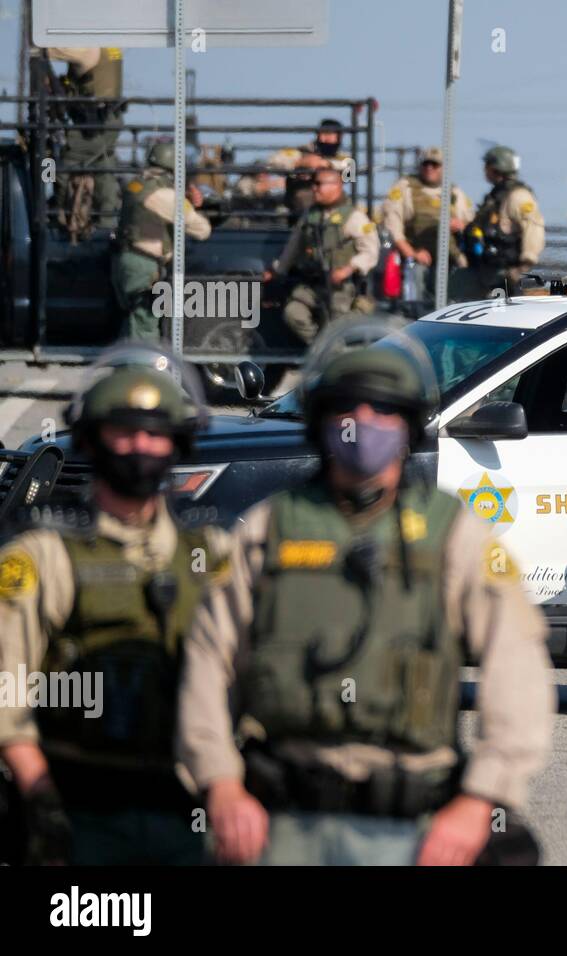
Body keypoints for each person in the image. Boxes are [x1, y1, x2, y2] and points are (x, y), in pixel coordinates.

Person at [176, 329, 555, 865]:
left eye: (383, 409)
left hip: (412, 822)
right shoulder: (269, 528)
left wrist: (479, 801)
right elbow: (209, 662)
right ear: (321, 419)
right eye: (347, 409)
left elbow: (517, 669)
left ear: (406, 424)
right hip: (282, 819)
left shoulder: (455, 535)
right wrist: (220, 784)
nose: (364, 423)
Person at [0, 347, 226, 865]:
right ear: (92, 439)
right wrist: (42, 801)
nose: (139, 446)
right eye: (123, 431)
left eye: (154, 432)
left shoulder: (211, 555)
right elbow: (6, 694)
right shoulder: (44, 555)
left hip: (189, 813)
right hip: (79, 811)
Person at [263, 166, 379, 344]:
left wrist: (347, 269)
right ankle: (321, 348)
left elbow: (370, 251)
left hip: (341, 288)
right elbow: (293, 246)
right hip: (313, 284)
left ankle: (335, 354)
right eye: (313, 184)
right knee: (293, 312)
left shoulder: (354, 217)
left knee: (336, 325)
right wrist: (277, 270)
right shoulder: (311, 215)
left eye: (319, 184)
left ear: (336, 186)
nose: (314, 188)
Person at [111, 143, 212, 341]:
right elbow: (202, 230)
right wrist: (190, 205)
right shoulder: (163, 195)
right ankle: (141, 370)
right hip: (144, 265)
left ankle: (128, 367)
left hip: (127, 260)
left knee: (133, 322)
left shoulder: (137, 184)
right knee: (145, 323)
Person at [449, 146, 545, 301]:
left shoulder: (518, 196)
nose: (484, 170)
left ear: (495, 167)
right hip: (487, 271)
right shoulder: (496, 196)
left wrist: (523, 266)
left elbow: (534, 229)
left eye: (487, 166)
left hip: (506, 274)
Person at [47, 47, 125, 224]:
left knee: (59, 162)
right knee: (103, 169)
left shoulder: (87, 48)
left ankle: (55, 212)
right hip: (108, 120)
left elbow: (44, 47)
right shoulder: (110, 46)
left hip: (93, 124)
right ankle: (107, 223)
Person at [381, 146, 474, 288]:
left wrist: (460, 225)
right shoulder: (405, 187)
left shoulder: (454, 192)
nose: (429, 168)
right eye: (425, 164)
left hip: (450, 259)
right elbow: (393, 227)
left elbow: (470, 223)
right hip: (415, 258)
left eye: (435, 164)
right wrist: (412, 254)